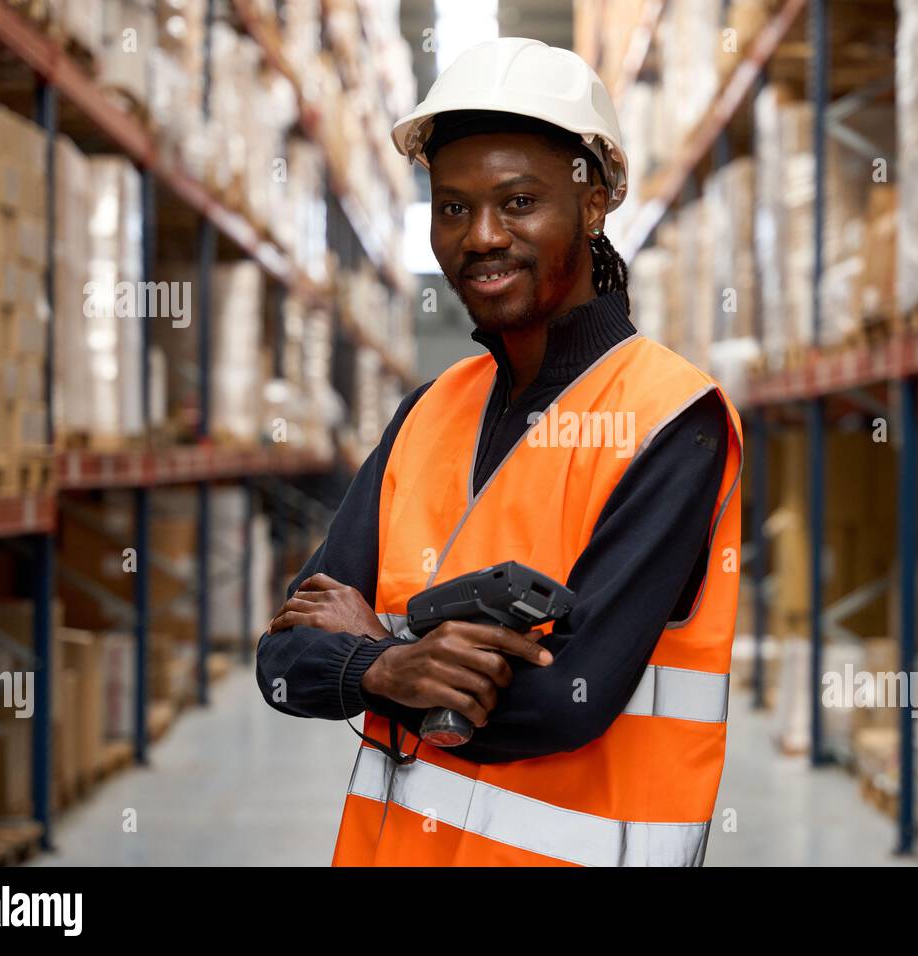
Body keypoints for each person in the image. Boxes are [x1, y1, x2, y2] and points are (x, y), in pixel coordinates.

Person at [256, 37, 744, 867]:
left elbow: (560, 702)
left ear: (593, 206)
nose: (481, 236)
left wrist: (370, 653)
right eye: (453, 207)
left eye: (519, 202)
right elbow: (281, 661)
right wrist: (393, 663)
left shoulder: (671, 422)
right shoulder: (427, 413)